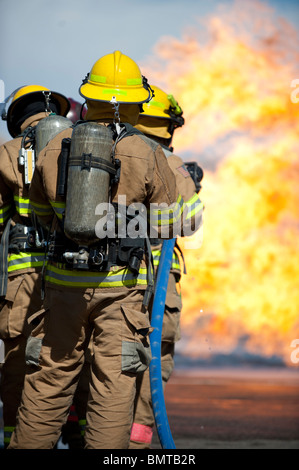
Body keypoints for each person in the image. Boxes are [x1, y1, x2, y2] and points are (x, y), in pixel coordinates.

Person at [8, 50, 188, 449]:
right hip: (120, 292)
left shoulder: (55, 146)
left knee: (47, 386)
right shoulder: (149, 154)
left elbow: (39, 211)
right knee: (113, 391)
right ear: (137, 105)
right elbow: (167, 223)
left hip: (60, 289)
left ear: (87, 100)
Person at [129, 85, 204, 449]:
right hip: (156, 282)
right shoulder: (168, 162)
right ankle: (137, 445)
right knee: (152, 364)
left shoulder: (114, 152)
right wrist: (191, 187)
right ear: (166, 125)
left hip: (108, 282)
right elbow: (190, 220)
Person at [0, 85, 70, 448]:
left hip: (23, 281)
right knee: (70, 364)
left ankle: (18, 440)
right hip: (76, 279)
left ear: (16, 116)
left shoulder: (7, 154)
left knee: (17, 367)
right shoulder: (81, 146)